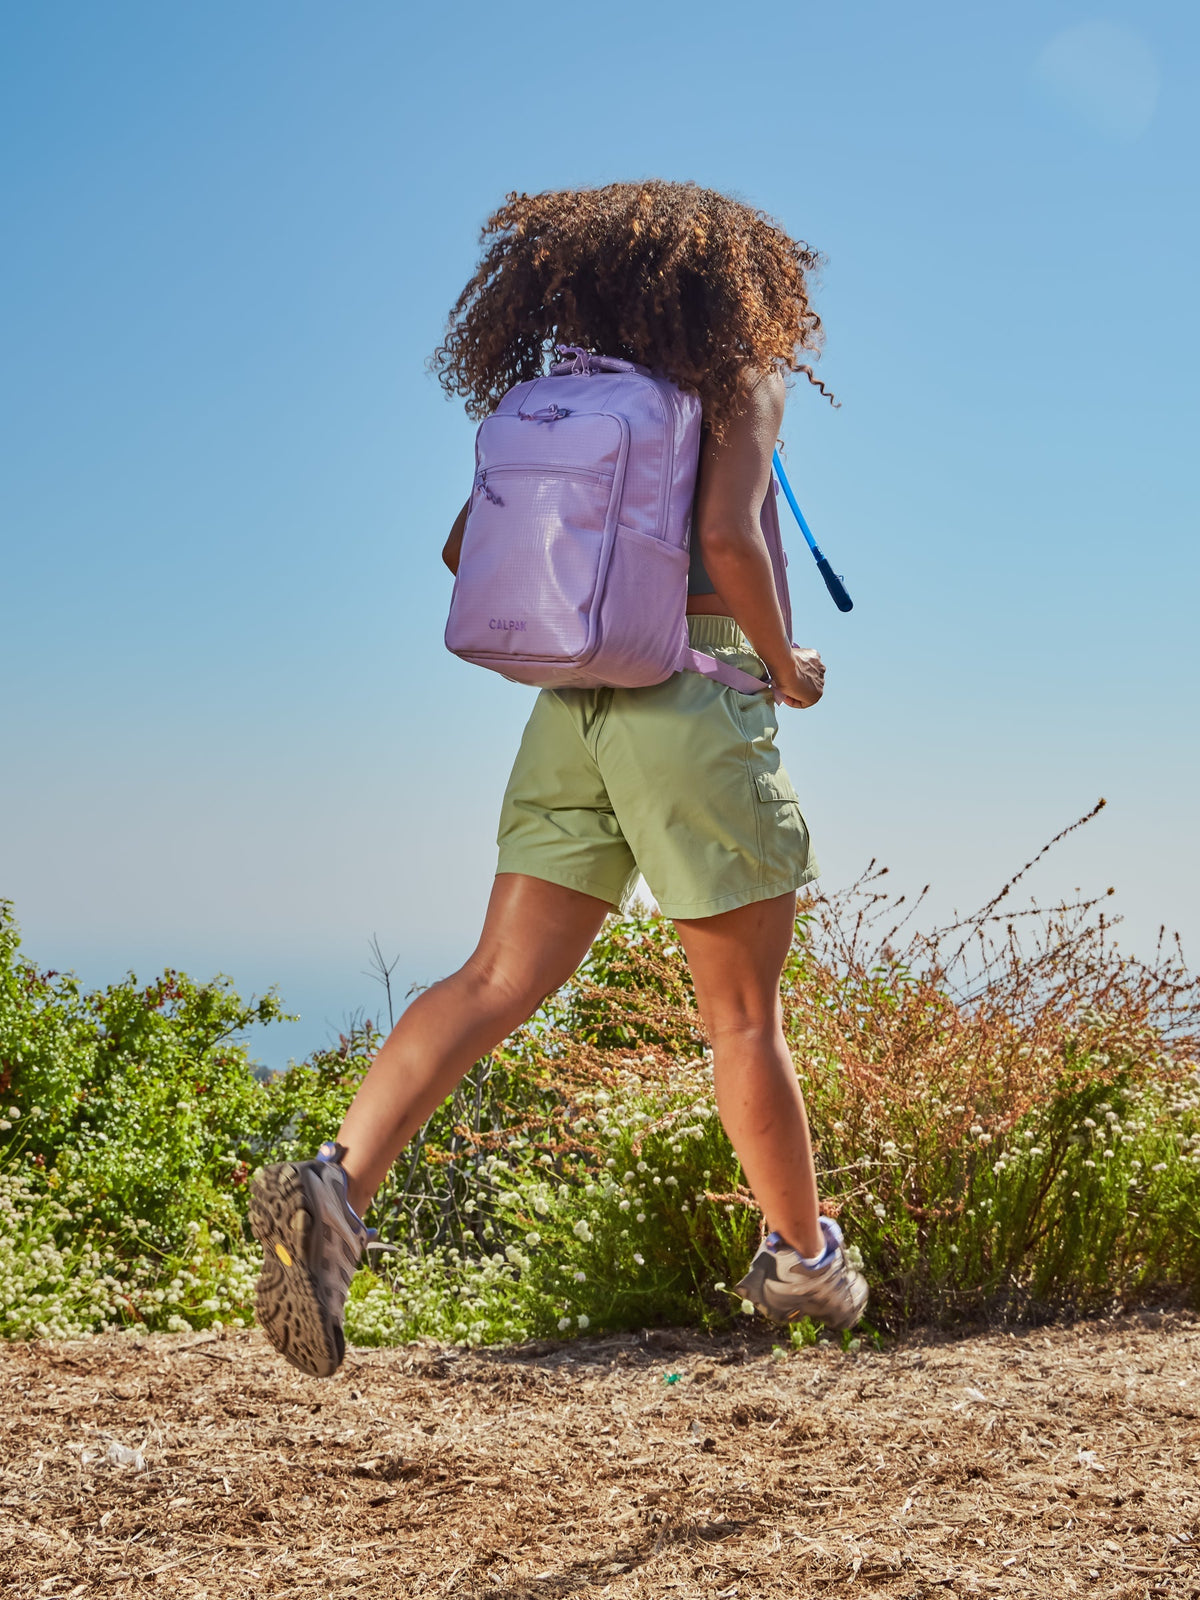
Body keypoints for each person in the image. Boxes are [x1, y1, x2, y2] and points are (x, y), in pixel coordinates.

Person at [250, 180, 868, 1378]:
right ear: (733, 283)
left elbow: (460, 546)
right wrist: (787, 665)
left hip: (570, 707)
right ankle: (803, 1260)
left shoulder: (560, 394)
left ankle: (337, 1186)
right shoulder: (736, 376)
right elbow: (735, 538)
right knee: (740, 1012)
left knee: (492, 975)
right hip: (691, 699)